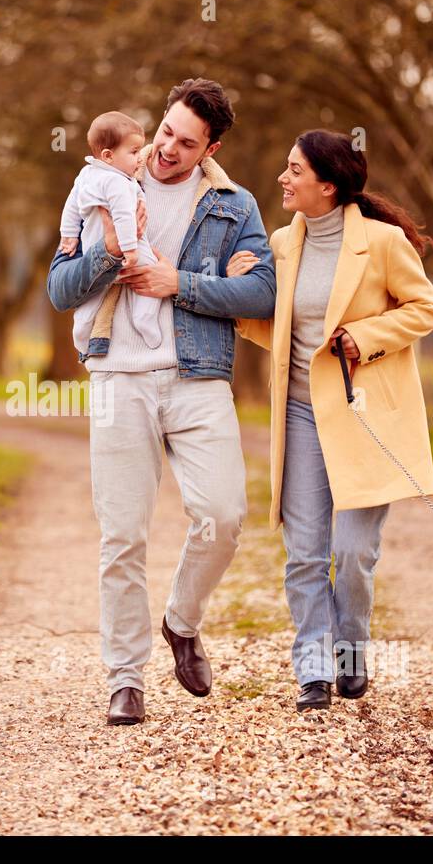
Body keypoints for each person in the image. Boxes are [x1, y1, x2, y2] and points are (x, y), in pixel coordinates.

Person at [47, 78, 276, 726]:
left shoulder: (235, 205)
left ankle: (181, 620)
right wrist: (107, 253)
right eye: (165, 133)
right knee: (122, 535)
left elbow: (262, 292)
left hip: (198, 374)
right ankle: (125, 679)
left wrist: (182, 283)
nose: (168, 150)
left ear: (212, 147)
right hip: (118, 377)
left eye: (186, 142)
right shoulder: (103, 183)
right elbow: (60, 290)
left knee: (224, 516)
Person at [232, 129, 433, 712]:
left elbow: (426, 307)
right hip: (299, 414)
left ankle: (351, 651)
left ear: (327, 186)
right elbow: (274, 325)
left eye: (294, 169)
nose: (283, 177)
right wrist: (238, 290)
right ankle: (313, 671)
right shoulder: (281, 242)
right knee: (304, 552)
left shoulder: (381, 243)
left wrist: (365, 338)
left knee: (352, 553)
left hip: (362, 415)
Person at [58, 111, 163, 354]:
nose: (140, 158)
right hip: (127, 247)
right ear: (108, 155)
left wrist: (69, 235)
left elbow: (71, 205)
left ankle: (81, 330)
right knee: (152, 272)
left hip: (94, 252)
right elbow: (124, 217)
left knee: (94, 294)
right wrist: (130, 250)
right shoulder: (117, 182)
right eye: (134, 152)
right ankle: (144, 318)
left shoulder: (86, 175)